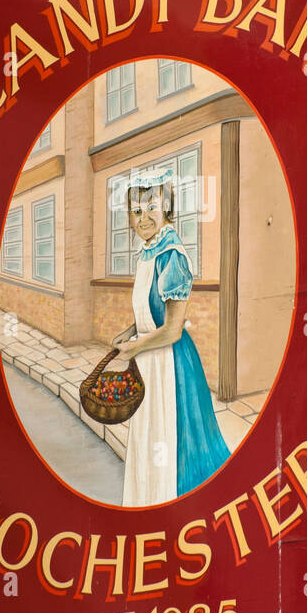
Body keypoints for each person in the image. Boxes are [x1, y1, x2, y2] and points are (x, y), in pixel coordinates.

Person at [111, 168, 231, 507]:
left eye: (151, 207)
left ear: (166, 207)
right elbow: (150, 314)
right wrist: (129, 331)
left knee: (173, 443)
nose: (143, 217)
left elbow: (173, 329)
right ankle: (145, 505)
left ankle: (167, 507)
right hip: (148, 358)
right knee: (148, 439)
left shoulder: (173, 256)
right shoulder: (147, 254)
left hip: (172, 366)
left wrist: (134, 347)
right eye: (136, 211)